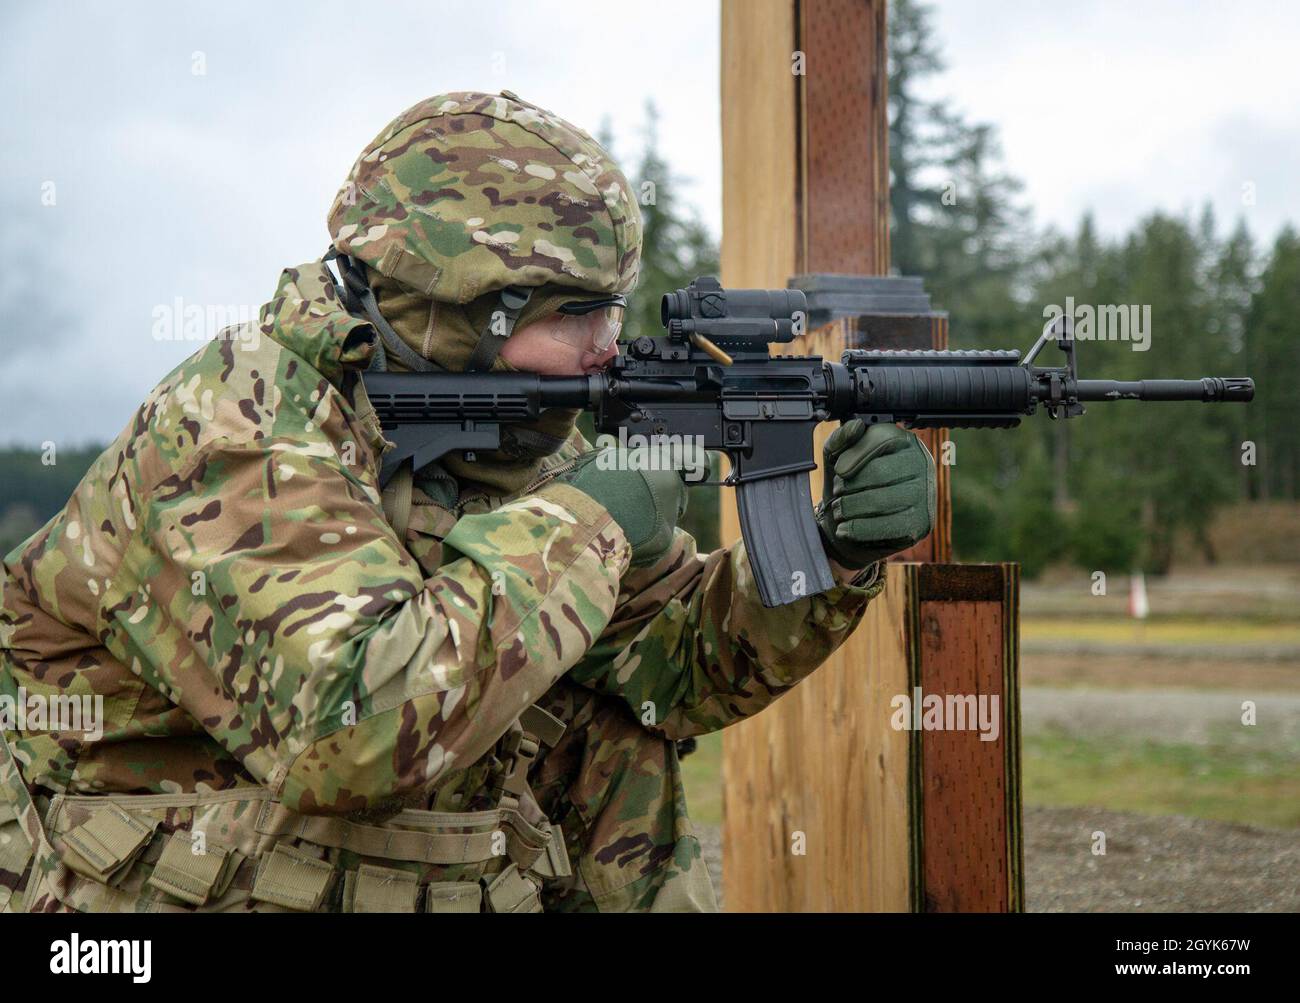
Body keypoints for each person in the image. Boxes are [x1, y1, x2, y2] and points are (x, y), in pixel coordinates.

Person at [0, 90, 935, 913]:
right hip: (141, 874)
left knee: (606, 720)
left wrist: (834, 555)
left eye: (612, 310)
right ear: (450, 307)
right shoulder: (230, 433)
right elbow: (352, 736)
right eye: (574, 314)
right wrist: (592, 522)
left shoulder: (510, 438)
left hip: (324, 860)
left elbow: (668, 668)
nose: (607, 345)